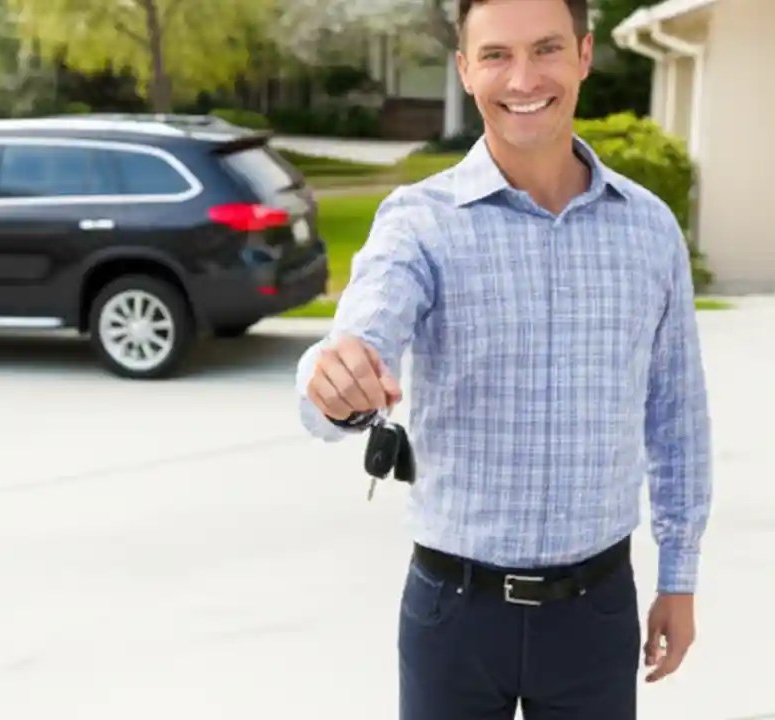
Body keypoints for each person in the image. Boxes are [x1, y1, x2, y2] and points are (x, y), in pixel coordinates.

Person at [293, 0, 713, 716]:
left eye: (546, 49)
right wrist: (330, 380)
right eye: (495, 55)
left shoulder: (649, 229)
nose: (523, 78)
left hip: (597, 612)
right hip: (454, 617)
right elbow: (358, 340)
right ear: (464, 69)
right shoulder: (418, 222)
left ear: (584, 55)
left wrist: (679, 578)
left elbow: (677, 419)